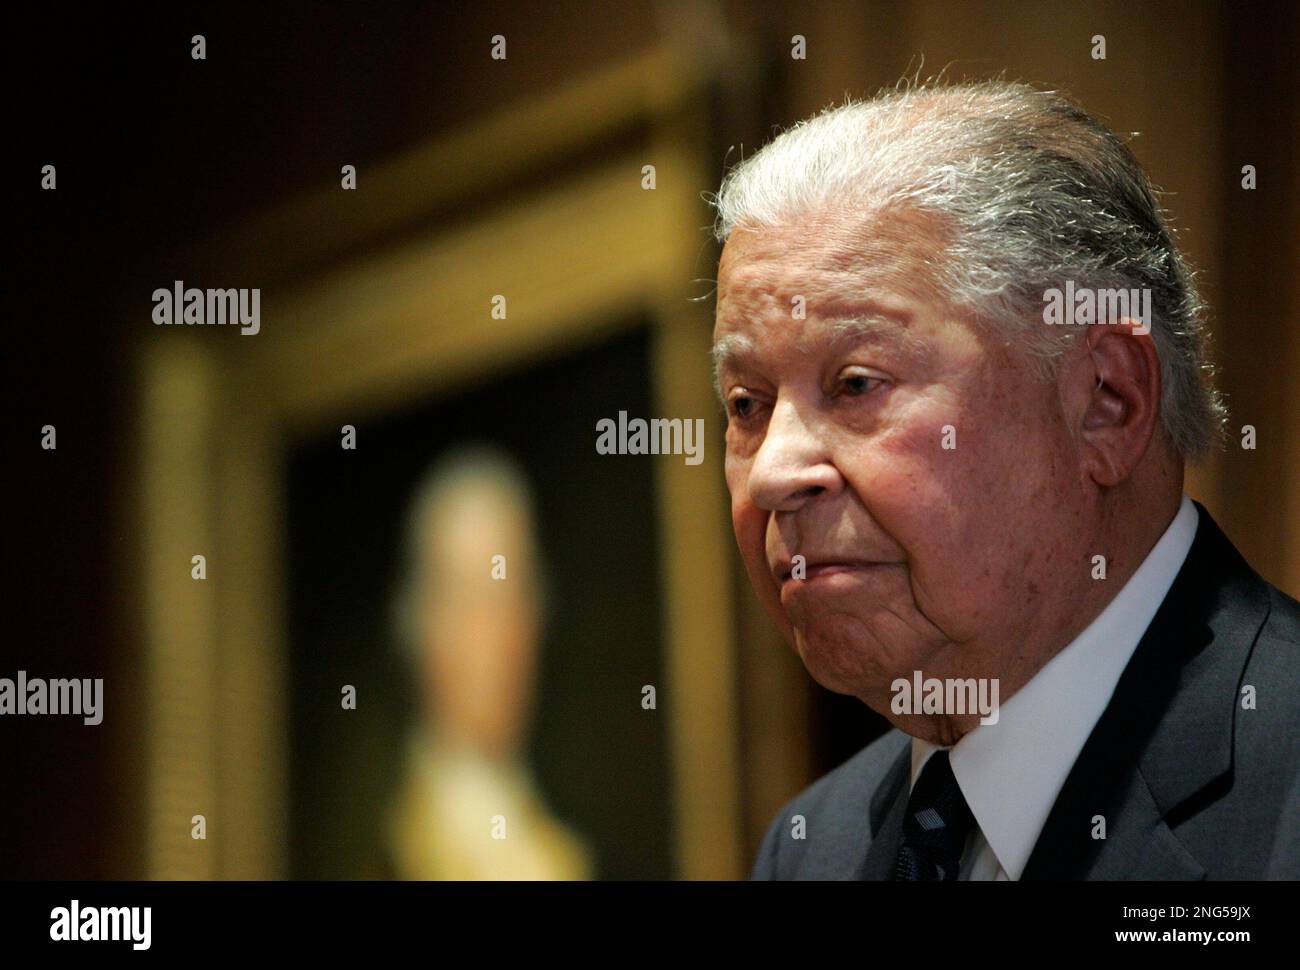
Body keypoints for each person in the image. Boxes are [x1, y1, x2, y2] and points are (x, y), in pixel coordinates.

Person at [709, 80, 1299, 880]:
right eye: (748, 404)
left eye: (855, 384)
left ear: (1106, 402)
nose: (775, 472)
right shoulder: (811, 849)